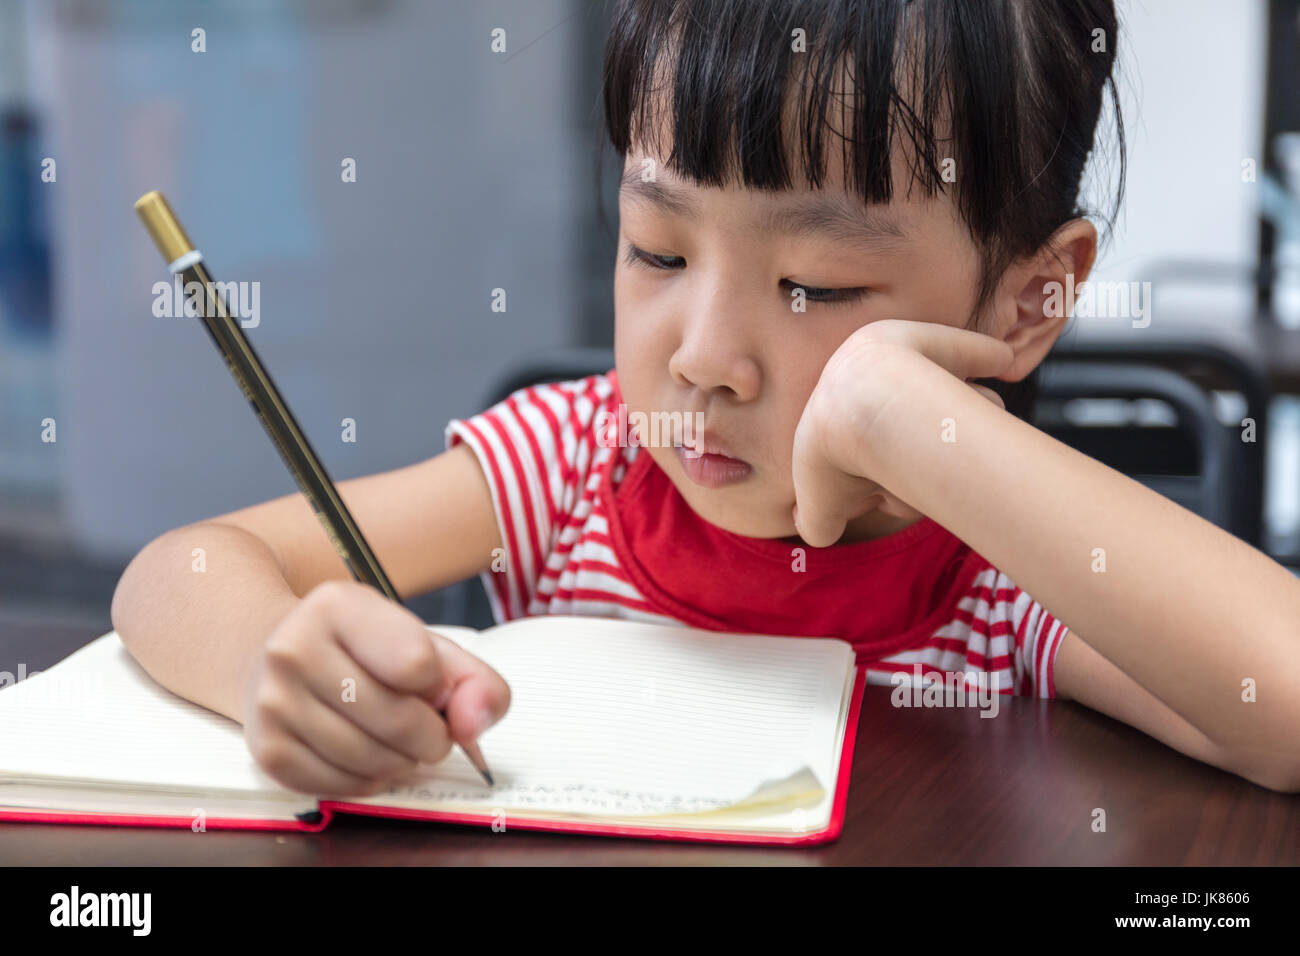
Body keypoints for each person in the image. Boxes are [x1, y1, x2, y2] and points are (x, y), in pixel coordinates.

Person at [112, 0, 1300, 798]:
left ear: (1030, 298)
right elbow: (178, 571)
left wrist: (910, 418)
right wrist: (281, 658)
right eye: (659, 251)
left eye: (816, 282)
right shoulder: (574, 459)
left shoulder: (997, 569)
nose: (704, 359)